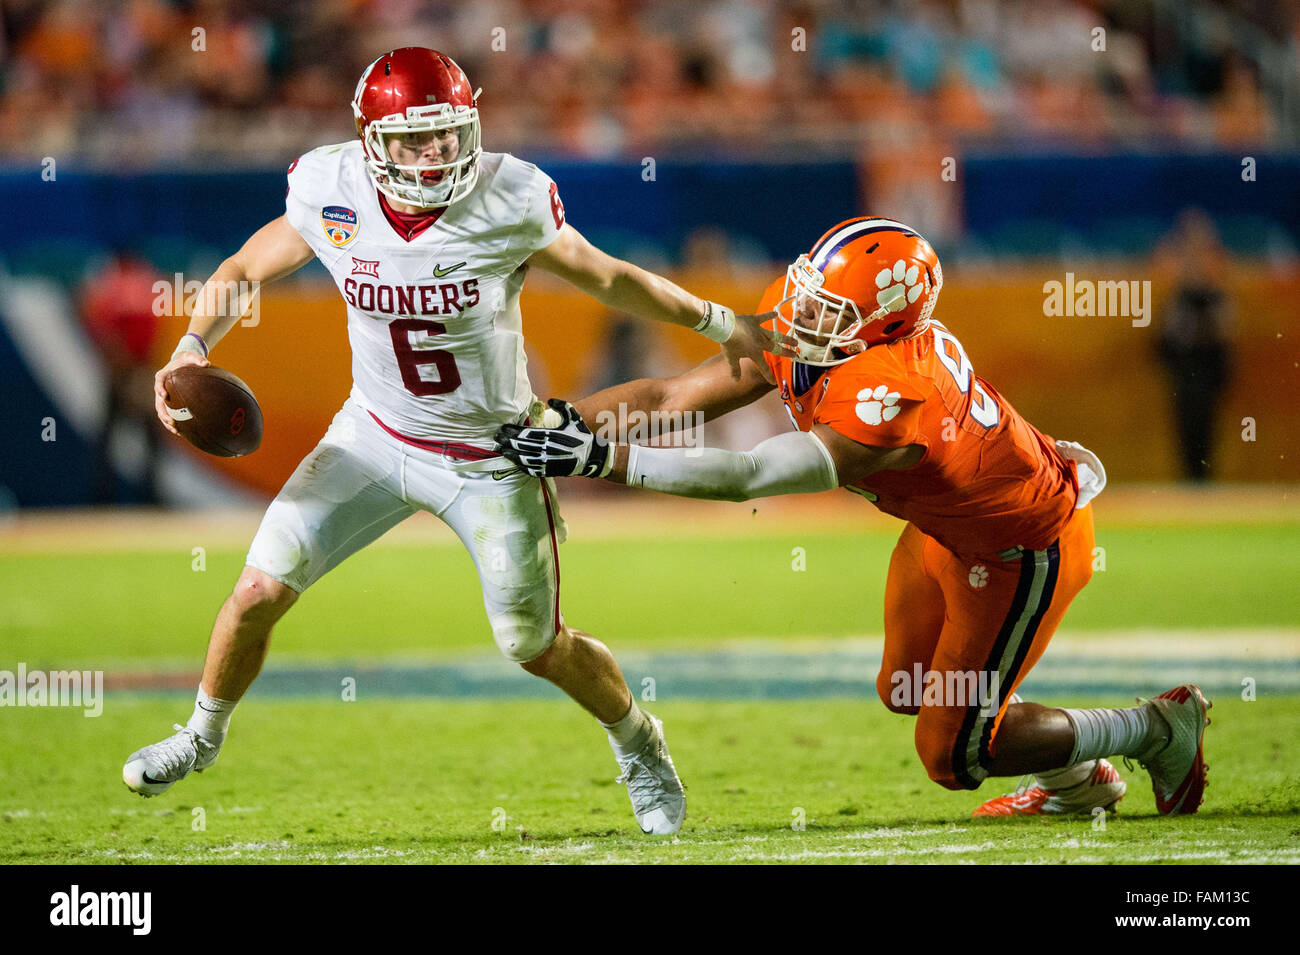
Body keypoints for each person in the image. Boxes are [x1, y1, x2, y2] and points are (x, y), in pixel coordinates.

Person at [122, 47, 791, 836]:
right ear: (371, 140)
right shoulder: (331, 187)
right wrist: (194, 343)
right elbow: (244, 266)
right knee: (257, 592)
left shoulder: (507, 195)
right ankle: (199, 736)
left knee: (535, 645)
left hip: (491, 456)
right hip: (370, 434)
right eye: (416, 140)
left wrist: (712, 318)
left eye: (448, 135)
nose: (436, 155)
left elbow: (607, 276)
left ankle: (639, 739)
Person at [496, 216, 1212, 817]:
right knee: (905, 684)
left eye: (828, 312)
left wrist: (599, 460)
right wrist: (553, 421)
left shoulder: (891, 393)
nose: (802, 315)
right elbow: (672, 398)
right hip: (946, 532)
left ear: (881, 329)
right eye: (808, 295)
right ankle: (1075, 781)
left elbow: (749, 474)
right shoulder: (819, 317)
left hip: (1022, 547)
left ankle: (1152, 727)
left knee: (952, 751)